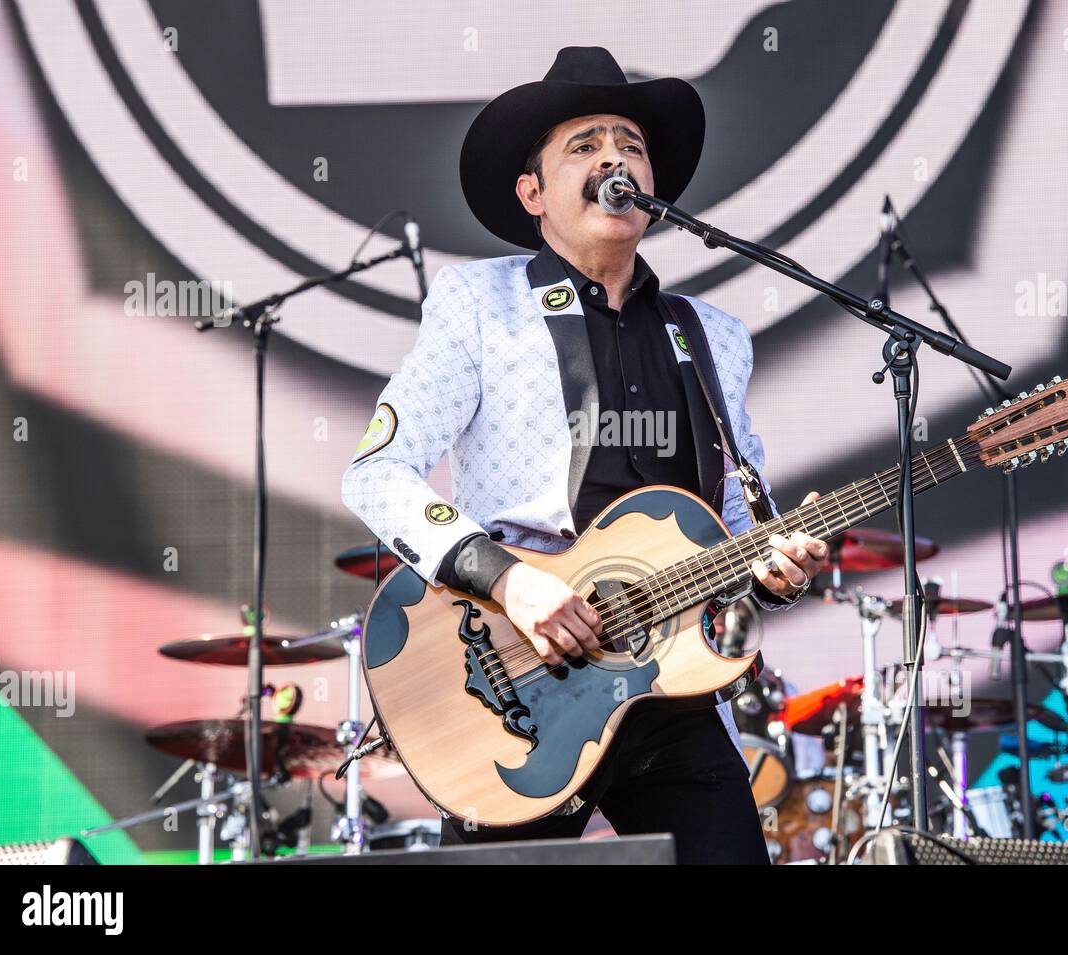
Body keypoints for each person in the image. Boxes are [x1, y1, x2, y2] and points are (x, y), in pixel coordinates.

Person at [342, 46, 826, 864]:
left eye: (631, 146)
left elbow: (737, 524)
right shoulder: (479, 305)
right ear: (532, 193)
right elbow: (375, 474)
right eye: (585, 145)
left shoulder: (712, 337)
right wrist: (509, 579)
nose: (614, 159)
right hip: (516, 680)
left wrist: (776, 568)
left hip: (669, 686)